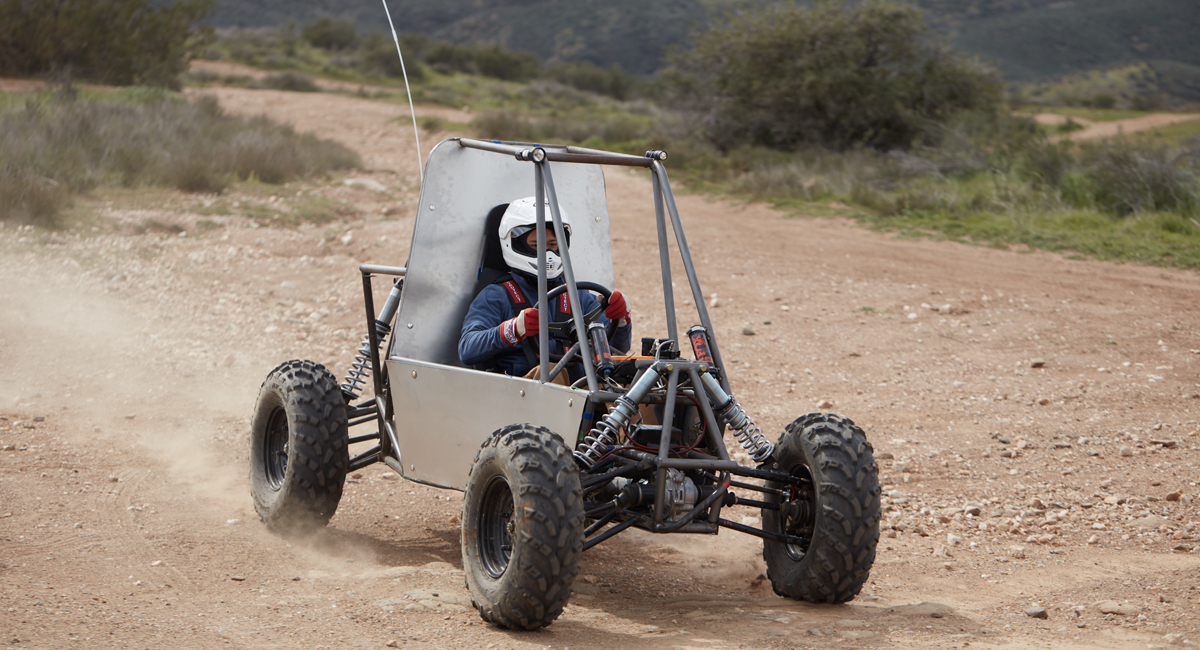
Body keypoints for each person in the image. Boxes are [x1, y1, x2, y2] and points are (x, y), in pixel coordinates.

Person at [459, 197, 632, 382]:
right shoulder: (496, 295)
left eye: (552, 245)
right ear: (514, 244)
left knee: (636, 380)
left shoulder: (577, 295)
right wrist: (513, 329)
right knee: (550, 371)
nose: (547, 254)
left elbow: (616, 349)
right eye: (536, 245)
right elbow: (467, 349)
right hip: (522, 393)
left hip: (579, 389)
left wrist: (621, 321)